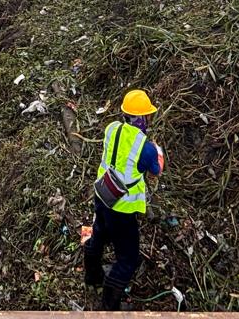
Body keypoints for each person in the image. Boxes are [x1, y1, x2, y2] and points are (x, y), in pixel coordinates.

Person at [84, 89, 165, 311]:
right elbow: (156, 170)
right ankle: (109, 305)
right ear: (140, 118)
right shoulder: (145, 147)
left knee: (98, 234)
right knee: (127, 259)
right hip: (122, 208)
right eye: (147, 115)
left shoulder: (111, 129)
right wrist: (158, 152)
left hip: (102, 194)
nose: (148, 119)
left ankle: (92, 276)